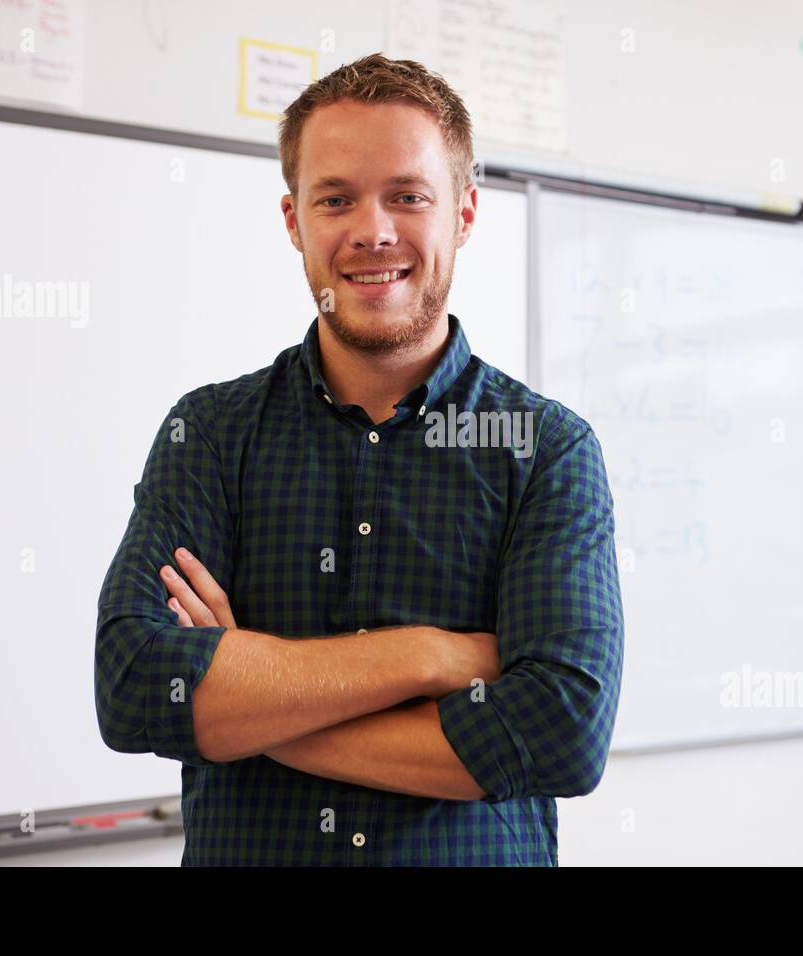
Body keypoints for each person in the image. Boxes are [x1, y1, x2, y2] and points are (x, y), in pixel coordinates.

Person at [94, 52, 624, 866]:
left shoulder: (545, 449)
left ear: (465, 214)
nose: (372, 230)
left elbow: (559, 736)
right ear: (294, 220)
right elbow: (135, 690)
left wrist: (259, 704)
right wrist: (432, 655)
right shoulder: (207, 435)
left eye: (408, 196)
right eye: (335, 198)